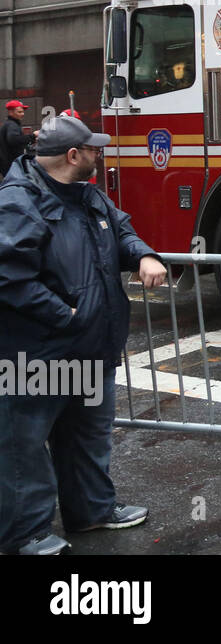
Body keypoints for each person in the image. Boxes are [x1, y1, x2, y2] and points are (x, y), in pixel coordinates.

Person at [0, 114, 167, 555]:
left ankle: (92, 511)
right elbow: (11, 277)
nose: (100, 153)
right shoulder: (18, 201)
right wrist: (67, 314)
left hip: (90, 348)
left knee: (86, 437)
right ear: (74, 156)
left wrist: (143, 254)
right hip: (39, 353)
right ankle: (25, 534)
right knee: (25, 448)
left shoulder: (87, 193)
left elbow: (120, 229)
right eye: (93, 148)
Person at [0, 99, 33, 176]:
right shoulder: (12, 125)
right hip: (11, 164)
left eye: (23, 112)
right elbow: (14, 140)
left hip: (9, 164)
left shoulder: (9, 124)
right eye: (19, 112)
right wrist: (32, 136)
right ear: (11, 112)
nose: (22, 114)